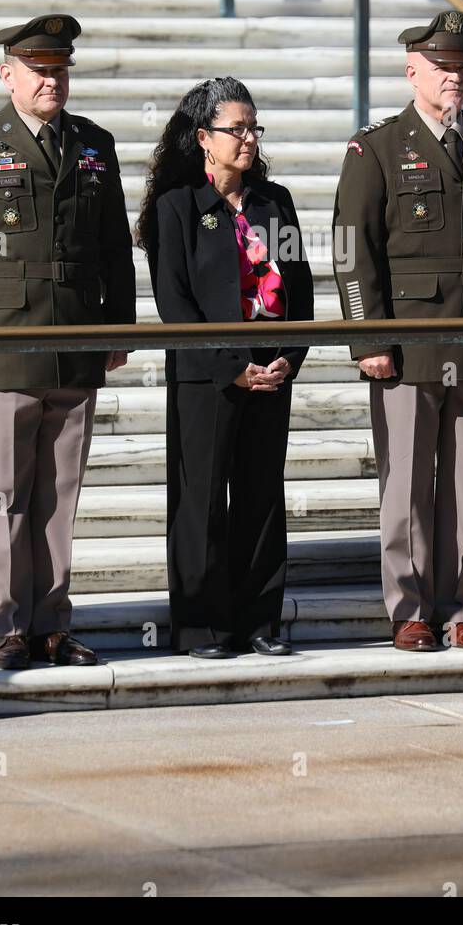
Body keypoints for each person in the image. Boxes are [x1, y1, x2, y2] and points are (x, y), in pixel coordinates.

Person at [0, 15, 136, 670]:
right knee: (4, 492)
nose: (52, 81)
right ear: (7, 74)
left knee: (59, 493)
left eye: (60, 69)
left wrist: (118, 328)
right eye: (39, 70)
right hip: (5, 342)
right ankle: (8, 624)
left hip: (75, 341)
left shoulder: (94, 144)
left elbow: (115, 248)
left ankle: (51, 624)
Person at [332, 11, 463, 653]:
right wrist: (367, 340)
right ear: (412, 70)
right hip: (408, 340)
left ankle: (456, 606)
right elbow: (350, 250)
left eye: (462, 66)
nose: (454, 77)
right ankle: (409, 607)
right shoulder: (378, 148)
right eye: (442, 66)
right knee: (405, 480)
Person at [137, 78, 313, 659]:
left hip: (272, 373)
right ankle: (203, 626)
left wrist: (291, 356)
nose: (248, 138)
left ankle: (258, 619)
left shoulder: (274, 202)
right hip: (207, 379)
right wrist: (230, 367)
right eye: (236, 128)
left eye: (253, 127)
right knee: (203, 499)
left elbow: (301, 288)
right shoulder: (177, 207)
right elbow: (175, 302)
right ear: (203, 137)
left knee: (261, 497)